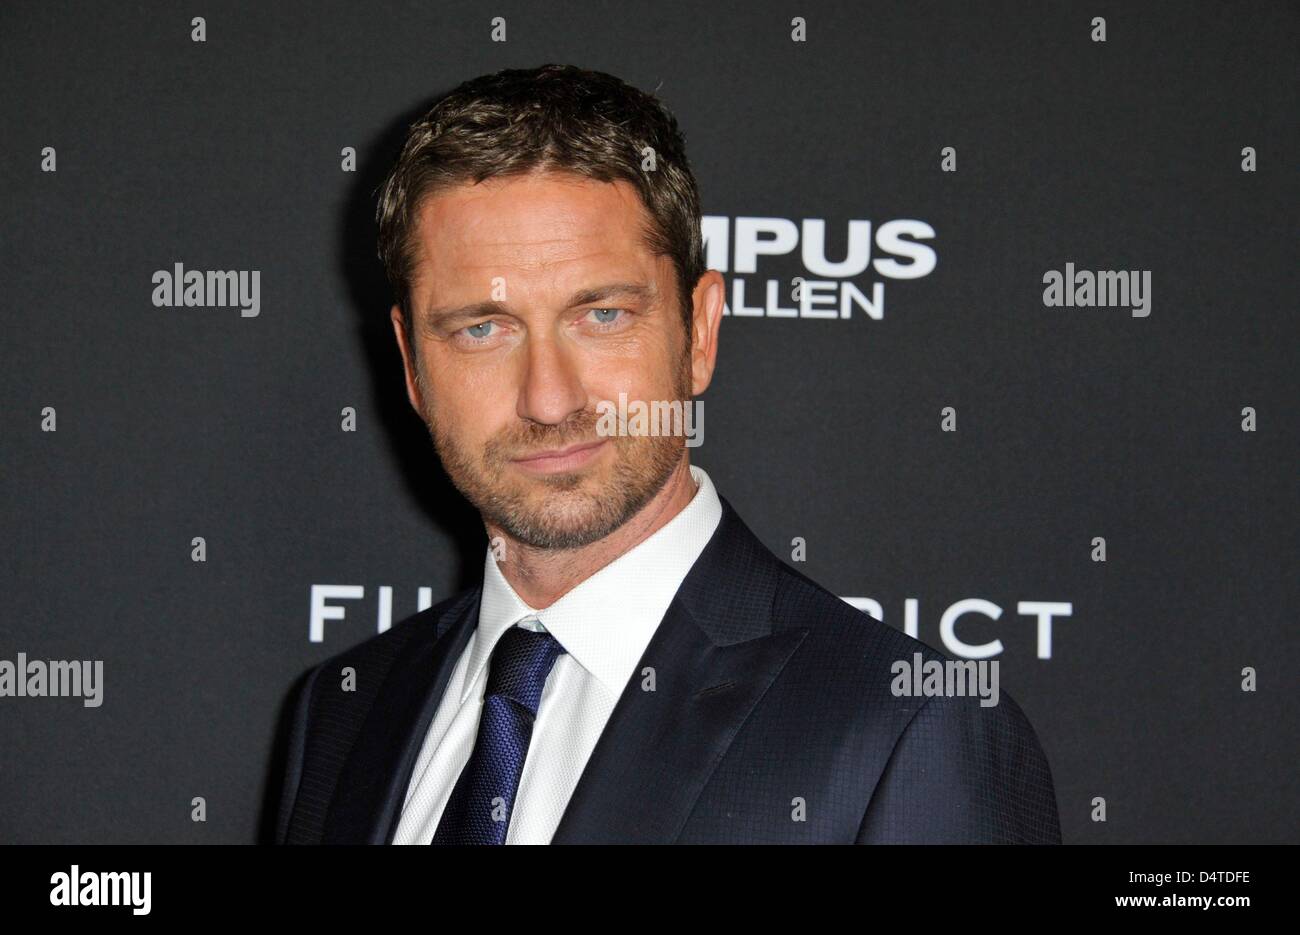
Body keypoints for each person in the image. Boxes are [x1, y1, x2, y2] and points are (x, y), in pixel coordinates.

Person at [273, 63, 1062, 844]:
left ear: (700, 332)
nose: (549, 398)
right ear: (412, 363)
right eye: (483, 328)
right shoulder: (344, 712)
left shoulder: (906, 733)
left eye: (603, 315)